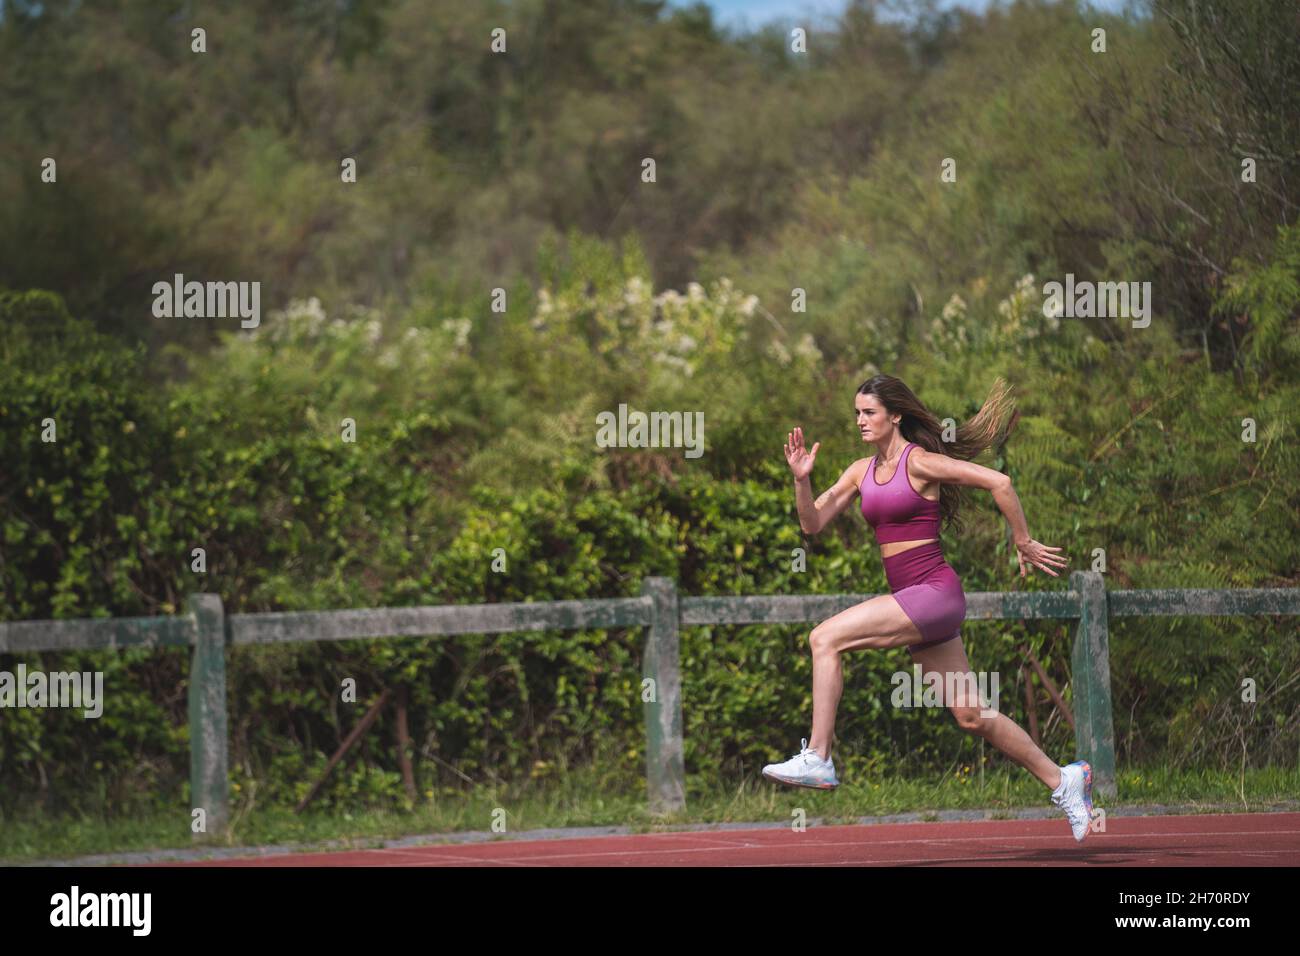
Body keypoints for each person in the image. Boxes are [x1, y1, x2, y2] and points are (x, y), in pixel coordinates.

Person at [763, 374, 1095, 842]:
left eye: (869, 412)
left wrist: (1022, 539)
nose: (860, 420)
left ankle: (818, 756)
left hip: (933, 594)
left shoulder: (920, 462)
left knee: (824, 637)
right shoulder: (860, 471)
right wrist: (802, 480)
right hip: (919, 604)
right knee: (972, 716)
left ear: (895, 415)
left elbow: (999, 481)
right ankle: (1064, 780)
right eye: (857, 413)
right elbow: (812, 522)